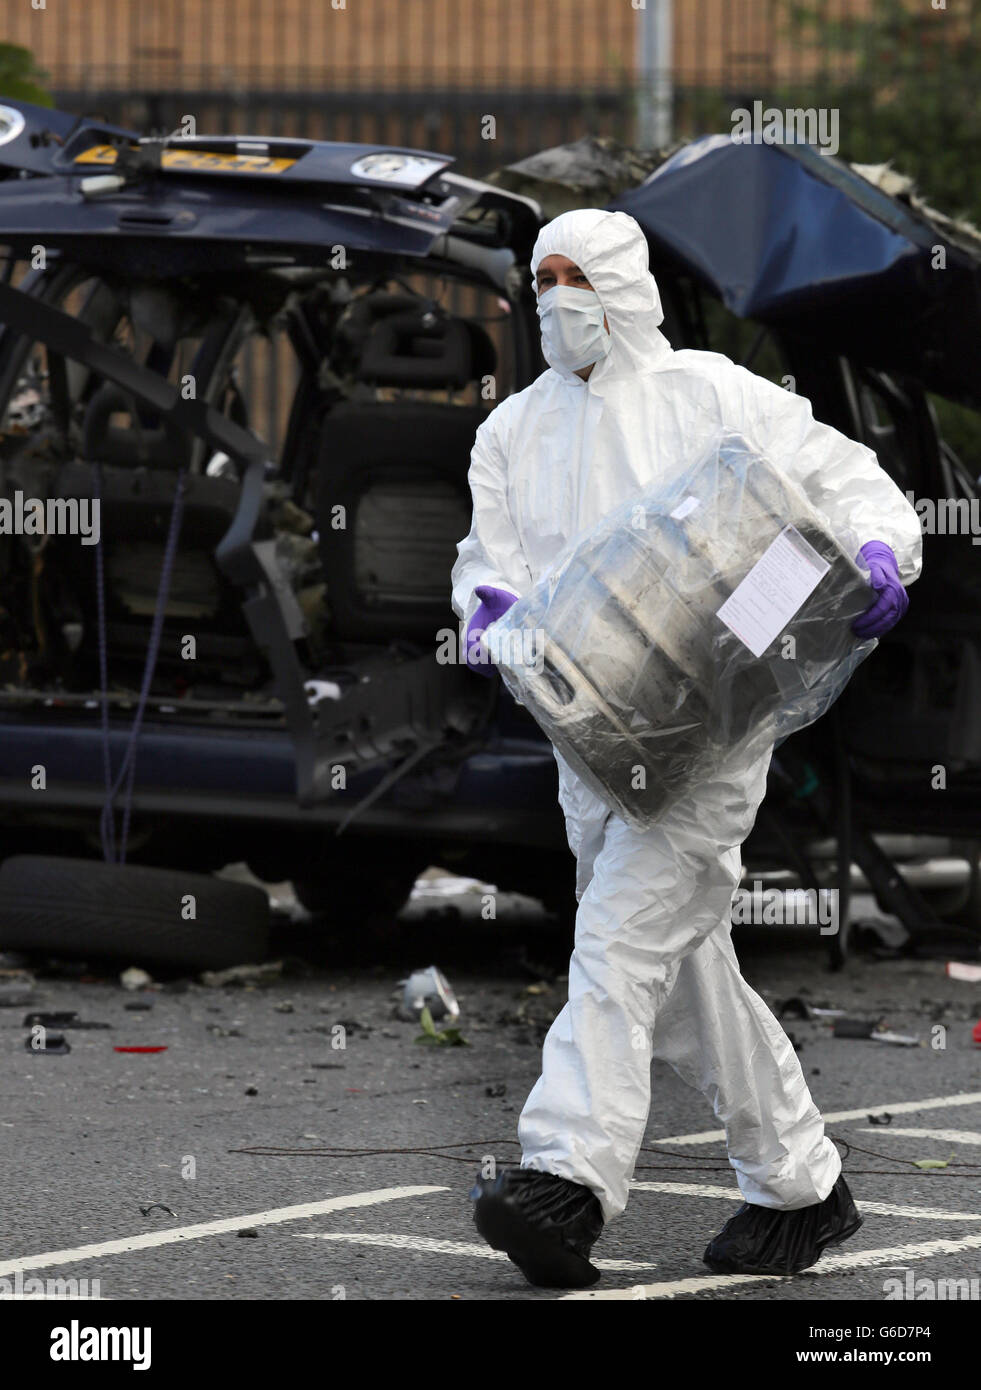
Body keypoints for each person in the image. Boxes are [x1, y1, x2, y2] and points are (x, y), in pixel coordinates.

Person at [450, 208, 922, 1289]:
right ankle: (801, 1189)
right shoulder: (512, 430)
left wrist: (883, 547)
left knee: (617, 943)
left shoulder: (710, 392)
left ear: (620, 284)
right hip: (586, 737)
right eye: (542, 277)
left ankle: (563, 1183)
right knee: (684, 978)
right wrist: (488, 604)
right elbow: (489, 556)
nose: (555, 295)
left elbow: (839, 472)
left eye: (575, 275)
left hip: (712, 729)